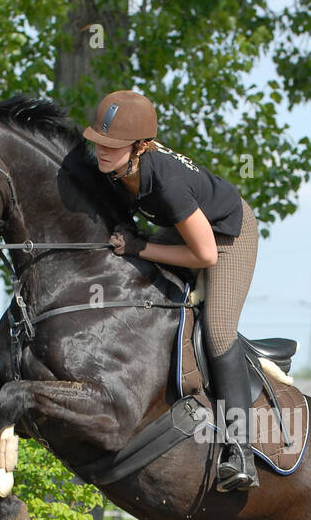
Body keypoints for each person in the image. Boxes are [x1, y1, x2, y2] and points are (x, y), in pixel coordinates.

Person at [82, 90, 260, 492]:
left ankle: (240, 449)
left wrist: (142, 247)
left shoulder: (166, 181)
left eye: (112, 145)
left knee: (217, 330)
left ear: (141, 146)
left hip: (225, 238)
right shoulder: (114, 166)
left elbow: (205, 254)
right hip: (182, 227)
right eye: (98, 140)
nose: (102, 151)